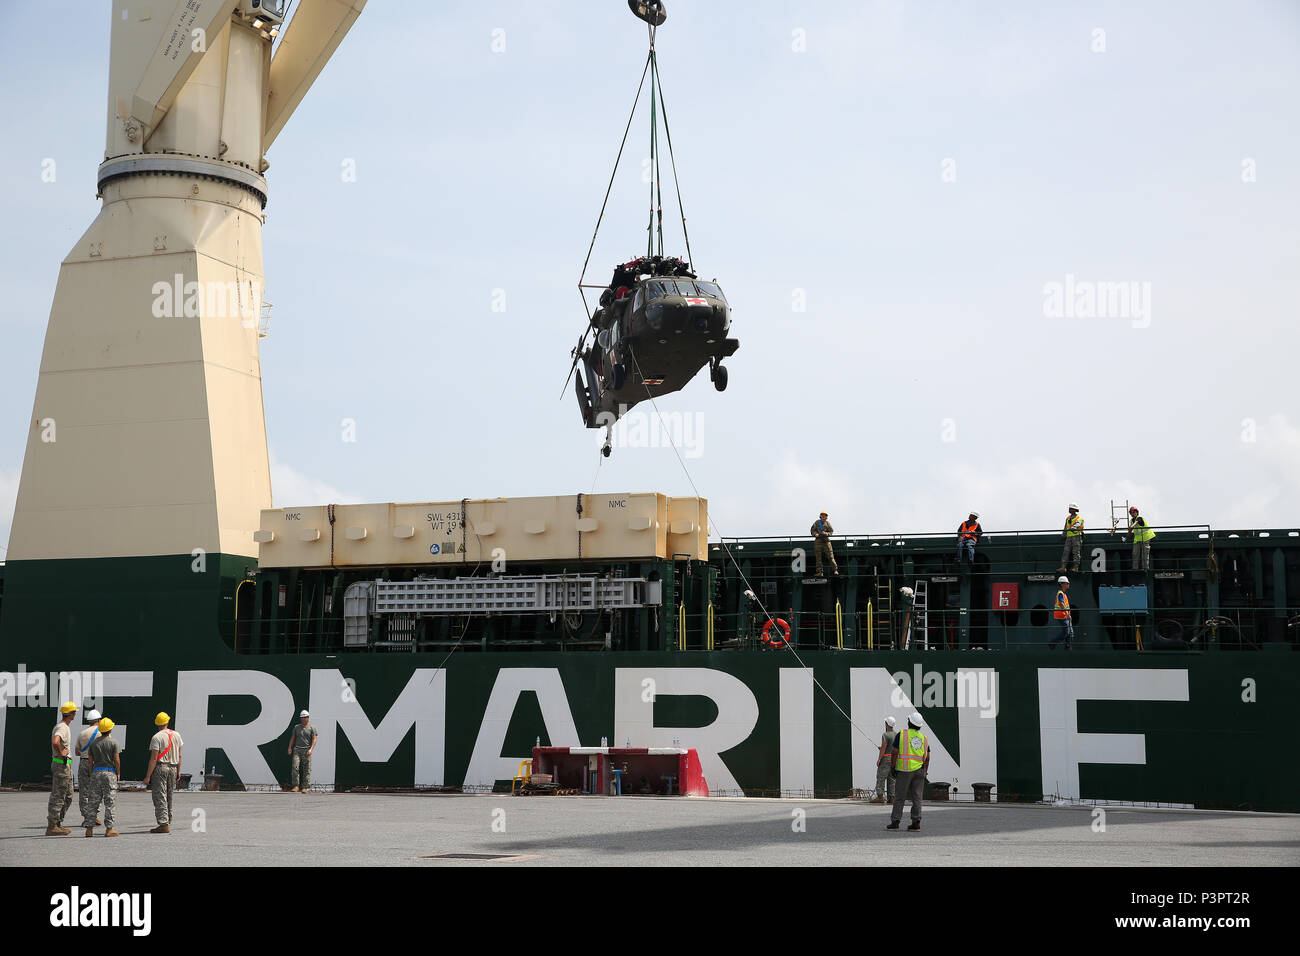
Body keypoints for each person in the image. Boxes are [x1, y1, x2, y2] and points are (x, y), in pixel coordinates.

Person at [886, 712, 930, 831]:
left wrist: (893, 767)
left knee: (900, 797)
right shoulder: (924, 738)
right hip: (920, 770)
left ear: (909, 722)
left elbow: (895, 752)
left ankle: (895, 822)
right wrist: (925, 771)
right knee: (917, 797)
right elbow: (927, 757)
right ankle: (916, 823)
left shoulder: (902, 734)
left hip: (904, 770)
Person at [143, 711, 183, 833]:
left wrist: (148, 776)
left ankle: (163, 823)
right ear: (167, 722)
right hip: (173, 767)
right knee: (169, 794)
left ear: (157, 724)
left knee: (160, 795)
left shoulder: (156, 737)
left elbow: (154, 759)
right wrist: (178, 771)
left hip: (161, 767)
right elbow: (180, 756)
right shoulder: (177, 735)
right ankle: (168, 819)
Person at [83, 717, 121, 838]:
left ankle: (89, 829)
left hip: (96, 772)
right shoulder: (113, 742)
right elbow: (116, 760)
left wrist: (92, 773)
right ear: (110, 729)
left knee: (93, 802)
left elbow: (90, 761)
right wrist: (118, 773)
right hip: (109, 773)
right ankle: (109, 829)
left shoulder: (94, 743)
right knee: (109, 802)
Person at [45, 701, 78, 836]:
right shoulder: (62, 727)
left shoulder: (64, 726)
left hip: (64, 765)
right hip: (61, 764)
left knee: (68, 795)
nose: (75, 714)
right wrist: (61, 752)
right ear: (70, 714)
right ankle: (52, 826)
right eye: (74, 712)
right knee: (59, 795)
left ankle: (58, 823)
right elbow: (55, 741)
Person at [74, 708, 102, 828]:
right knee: (97, 790)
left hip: (84, 762)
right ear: (99, 720)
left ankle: (87, 816)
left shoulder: (82, 734)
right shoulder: (102, 733)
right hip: (97, 763)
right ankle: (94, 815)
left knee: (84, 791)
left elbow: (77, 752)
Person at [287, 710, 317, 793]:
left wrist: (311, 749)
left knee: (307, 769)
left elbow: (314, 739)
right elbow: (293, 738)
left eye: (305, 717)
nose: (303, 719)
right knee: (295, 767)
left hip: (307, 750)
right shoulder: (296, 727)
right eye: (302, 717)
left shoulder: (312, 728)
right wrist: (290, 748)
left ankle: (304, 787)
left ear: (308, 718)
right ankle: (296, 786)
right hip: (297, 750)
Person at [873, 716, 897, 804]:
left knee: (881, 777)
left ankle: (880, 797)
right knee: (892, 778)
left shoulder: (885, 735)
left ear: (887, 724)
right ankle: (892, 797)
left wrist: (879, 759)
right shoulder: (896, 734)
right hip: (894, 758)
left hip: (886, 758)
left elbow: (883, 748)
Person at [810, 510, 838, 576]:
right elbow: (812, 530)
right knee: (818, 558)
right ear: (820, 516)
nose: (823, 516)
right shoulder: (817, 522)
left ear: (826, 517)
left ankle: (835, 570)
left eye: (825, 515)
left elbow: (831, 531)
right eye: (822, 515)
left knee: (830, 556)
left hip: (826, 541)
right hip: (818, 541)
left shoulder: (828, 523)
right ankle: (819, 572)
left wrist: (826, 533)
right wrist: (815, 534)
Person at [1058, 503, 1084, 572]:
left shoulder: (1079, 518)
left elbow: (1077, 525)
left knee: (1076, 552)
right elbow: (1065, 527)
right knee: (1066, 552)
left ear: (1074, 510)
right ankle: (1063, 567)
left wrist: (1073, 528)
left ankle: (1076, 567)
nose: (1069, 509)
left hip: (1076, 537)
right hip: (1069, 537)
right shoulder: (1068, 518)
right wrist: (1063, 535)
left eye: (1071, 508)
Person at [1049, 575, 1074, 650]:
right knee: (1066, 632)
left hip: (1065, 616)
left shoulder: (1063, 594)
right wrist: (1067, 614)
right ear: (1062, 584)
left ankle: (1068, 648)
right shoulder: (1060, 593)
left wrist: (1068, 615)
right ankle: (1052, 642)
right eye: (1067, 583)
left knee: (1070, 633)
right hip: (1062, 616)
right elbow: (1061, 604)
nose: (1068, 584)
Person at [1128, 506, 1156, 571]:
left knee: (1145, 554)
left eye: (1134, 512)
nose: (1132, 513)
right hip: (1137, 539)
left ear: (1137, 512)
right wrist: (1128, 534)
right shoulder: (1131, 521)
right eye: (1131, 512)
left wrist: (1131, 526)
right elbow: (1130, 530)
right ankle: (1135, 569)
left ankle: (1145, 569)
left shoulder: (1139, 518)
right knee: (1135, 554)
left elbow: (1137, 522)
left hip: (1146, 537)